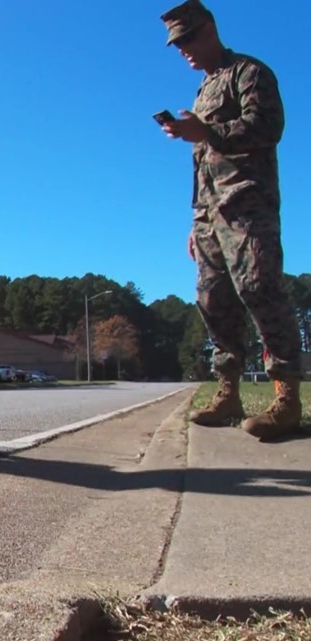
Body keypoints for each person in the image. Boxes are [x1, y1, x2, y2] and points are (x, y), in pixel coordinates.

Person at [159, 0, 302, 439]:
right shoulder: (203, 92)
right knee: (212, 301)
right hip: (210, 216)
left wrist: (207, 131)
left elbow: (267, 127)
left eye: (188, 39)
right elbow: (201, 164)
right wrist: (196, 220)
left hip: (247, 205)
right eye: (177, 45)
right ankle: (228, 393)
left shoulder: (249, 73)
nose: (184, 50)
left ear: (209, 29)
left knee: (260, 290)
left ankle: (287, 398)